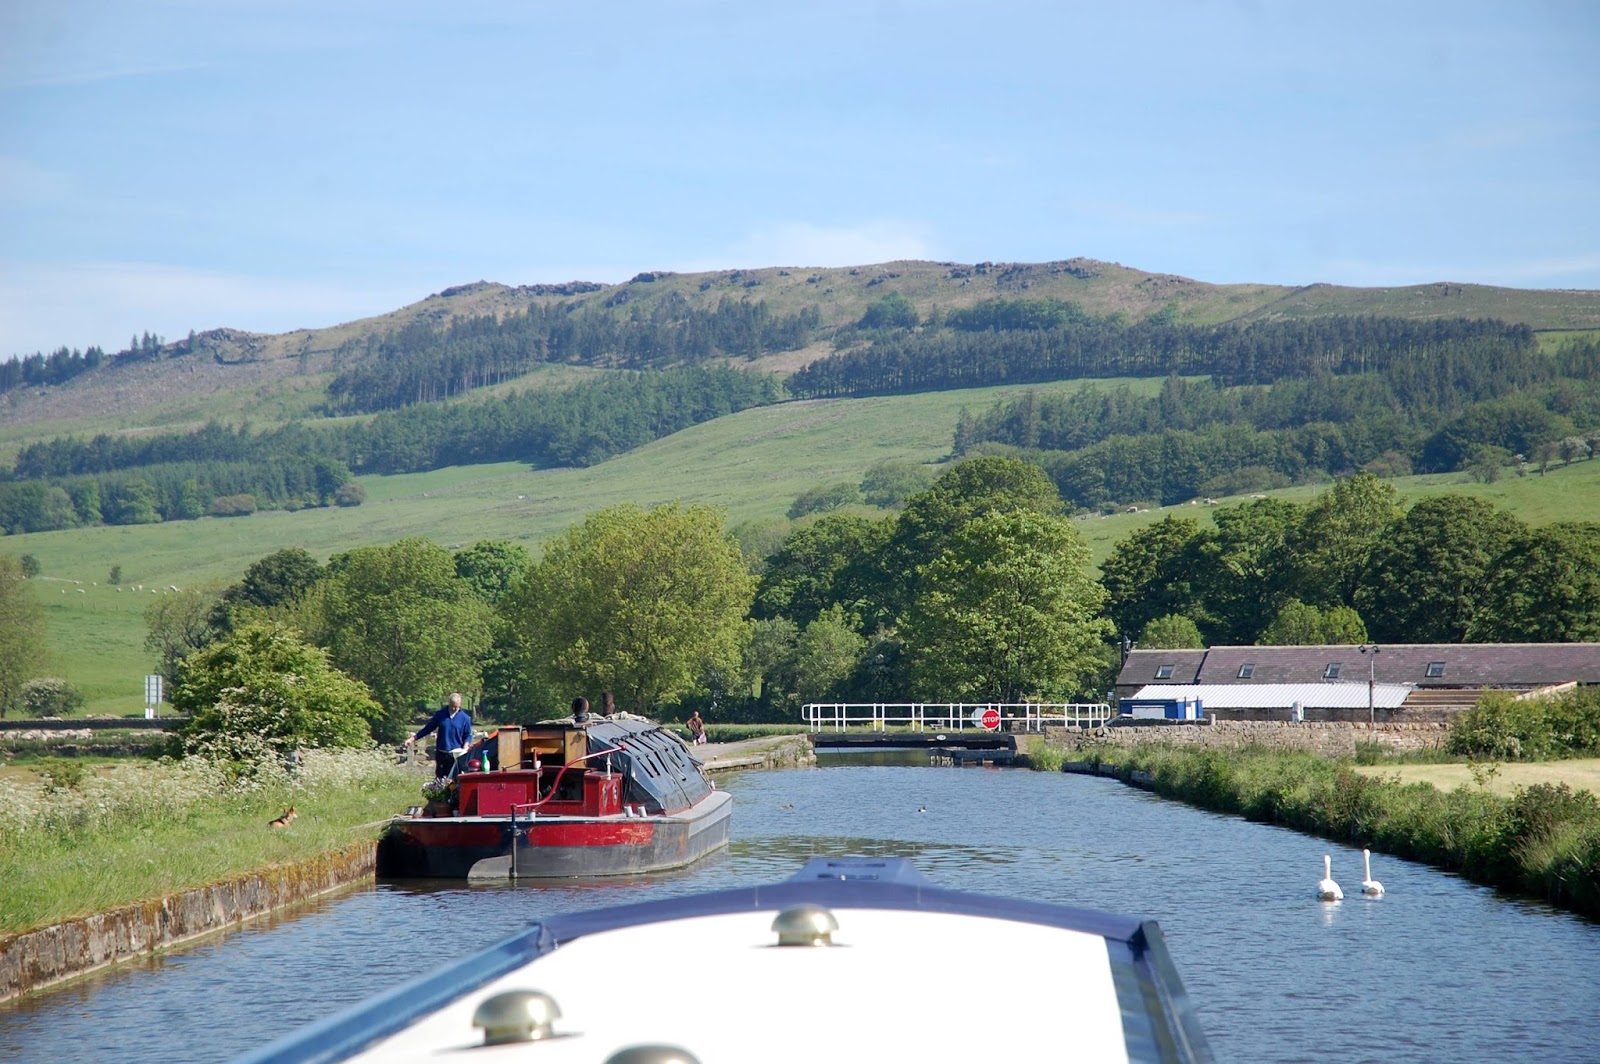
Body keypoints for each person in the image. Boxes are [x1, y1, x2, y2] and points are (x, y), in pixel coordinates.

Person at [404, 692, 473, 779]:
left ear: (460, 704)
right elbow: (428, 728)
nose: (454, 708)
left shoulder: (465, 718)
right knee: (440, 779)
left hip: (456, 754)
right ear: (449, 703)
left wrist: (466, 744)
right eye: (452, 706)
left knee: (454, 779)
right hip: (442, 752)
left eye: (456, 706)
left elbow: (468, 734)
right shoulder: (440, 715)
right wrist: (412, 738)